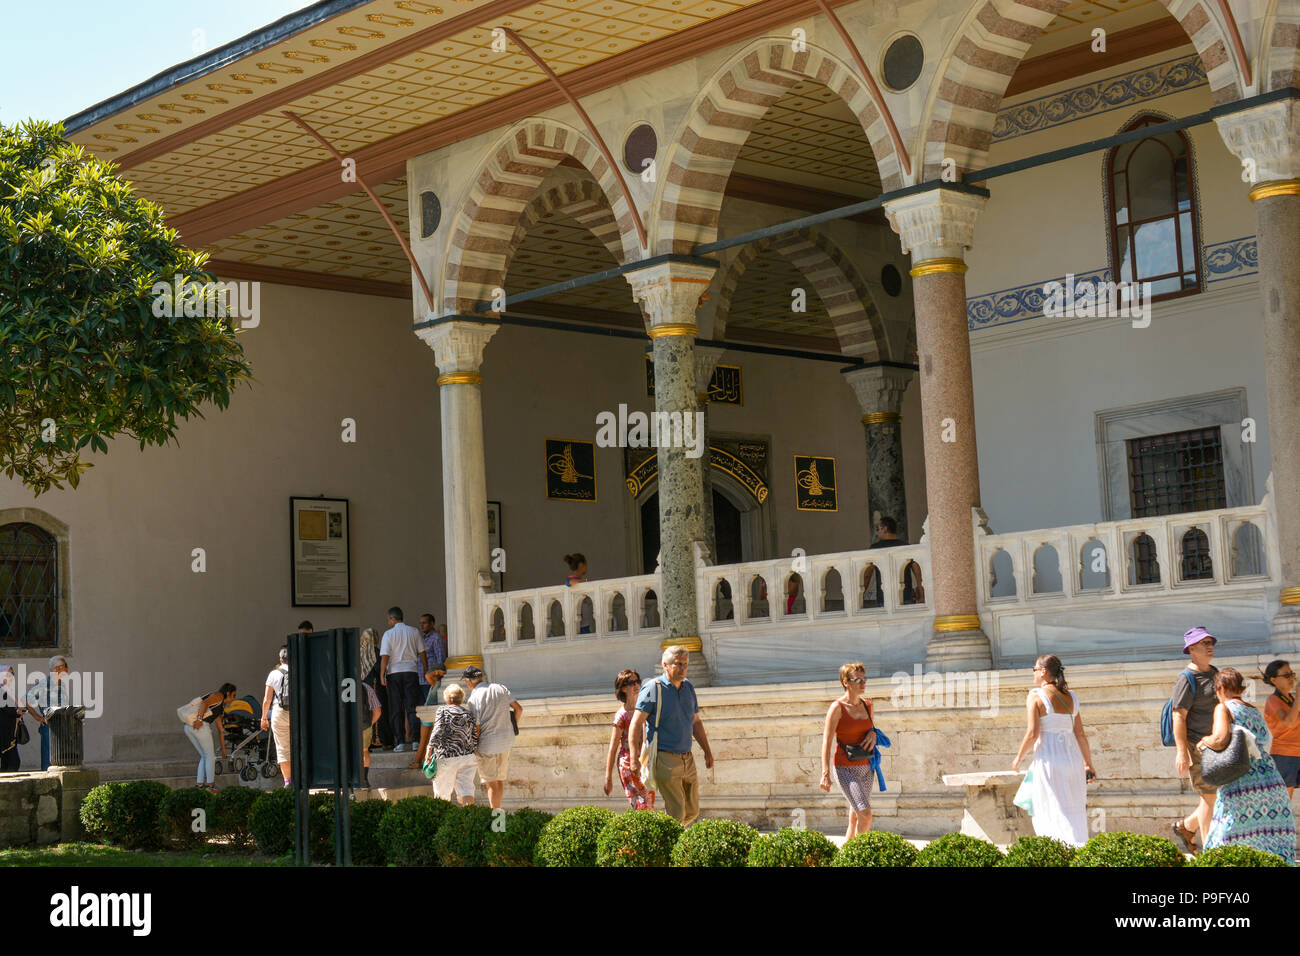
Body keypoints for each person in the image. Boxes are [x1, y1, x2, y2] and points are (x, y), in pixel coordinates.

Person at [1199, 667, 1296, 863]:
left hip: (1242, 782)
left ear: (1221, 688)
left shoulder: (1223, 708)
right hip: (1270, 781)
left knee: (1226, 836)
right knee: (1267, 840)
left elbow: (1219, 739)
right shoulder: (1253, 710)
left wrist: (1204, 741)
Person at [1011, 654, 1096, 846]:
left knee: (1050, 809)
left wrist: (1018, 758)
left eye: (1034, 669)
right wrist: (1088, 764)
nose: (1033, 674)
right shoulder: (1072, 697)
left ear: (1043, 672)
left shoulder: (1036, 696)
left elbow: (1032, 733)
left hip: (1049, 759)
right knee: (1074, 810)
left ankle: (1057, 852)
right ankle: (1079, 849)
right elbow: (1081, 734)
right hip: (1073, 759)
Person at [628, 645, 714, 825]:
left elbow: (696, 721)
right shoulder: (653, 688)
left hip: (687, 758)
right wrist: (634, 758)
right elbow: (636, 723)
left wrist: (707, 751)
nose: (683, 669)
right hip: (664, 757)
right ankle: (671, 849)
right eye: (678, 664)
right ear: (665, 665)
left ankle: (665, 837)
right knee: (677, 811)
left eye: (685, 664)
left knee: (692, 811)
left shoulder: (688, 687)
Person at [1170, 626, 1219, 854]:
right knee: (1210, 798)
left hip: (1218, 745)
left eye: (1210, 643)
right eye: (1204, 643)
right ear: (1191, 649)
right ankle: (1211, 852)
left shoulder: (1214, 672)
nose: (1209, 647)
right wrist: (1182, 752)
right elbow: (1178, 715)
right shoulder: (1187, 678)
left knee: (1214, 797)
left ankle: (1186, 827)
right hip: (1197, 746)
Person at [819, 662, 876, 839]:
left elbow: (871, 729)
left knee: (855, 815)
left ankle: (846, 853)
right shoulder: (837, 708)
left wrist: (874, 733)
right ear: (846, 682)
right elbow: (827, 741)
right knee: (865, 814)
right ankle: (859, 856)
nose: (862, 683)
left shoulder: (868, 705)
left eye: (863, 679)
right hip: (845, 767)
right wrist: (825, 773)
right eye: (857, 680)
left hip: (867, 766)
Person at [464, 665, 521, 809]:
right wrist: (511, 727)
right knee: (499, 781)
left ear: (469, 681)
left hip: (487, 744)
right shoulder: (500, 688)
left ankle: (496, 823)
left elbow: (476, 727)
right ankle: (499, 822)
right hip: (505, 741)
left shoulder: (473, 698)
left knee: (491, 784)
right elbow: (518, 709)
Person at [604, 669, 655, 810]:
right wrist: (608, 778)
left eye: (638, 681)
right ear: (623, 688)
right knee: (641, 806)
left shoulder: (644, 709)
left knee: (649, 804)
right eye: (632, 683)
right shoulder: (621, 715)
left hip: (644, 763)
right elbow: (613, 748)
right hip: (627, 766)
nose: (636, 685)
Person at [379, 606, 428, 753]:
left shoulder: (388, 634)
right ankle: (415, 740)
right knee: (412, 707)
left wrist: (382, 674)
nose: (388, 622)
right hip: (411, 672)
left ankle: (399, 741)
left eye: (388, 619)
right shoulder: (414, 631)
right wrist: (425, 670)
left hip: (394, 673)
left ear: (392, 619)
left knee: (396, 708)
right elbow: (422, 653)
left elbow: (385, 656)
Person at [178, 683, 236, 792]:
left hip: (189, 727)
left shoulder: (220, 707)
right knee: (210, 756)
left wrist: (224, 750)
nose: (234, 699)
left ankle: (200, 785)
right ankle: (211, 785)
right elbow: (205, 703)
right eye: (233, 695)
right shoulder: (218, 696)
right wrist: (200, 720)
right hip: (200, 726)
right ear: (227, 693)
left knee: (205, 756)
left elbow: (220, 730)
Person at [428, 683, 479, 805]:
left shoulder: (443, 710)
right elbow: (474, 736)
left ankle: (443, 822)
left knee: (442, 794)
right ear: (461, 698)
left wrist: (429, 749)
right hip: (468, 756)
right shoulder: (469, 714)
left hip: (447, 756)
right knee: (466, 791)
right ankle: (469, 819)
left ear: (447, 698)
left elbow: (438, 730)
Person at [412, 612, 448, 769]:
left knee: (430, 718)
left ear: (432, 623)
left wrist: (437, 676)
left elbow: (440, 660)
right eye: (421, 623)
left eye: (425, 623)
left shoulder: (436, 639)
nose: (422, 626)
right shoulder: (423, 639)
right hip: (422, 680)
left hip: (433, 680)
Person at [1262, 659, 1300, 797]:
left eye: (1292, 674)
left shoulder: (1291, 699)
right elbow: (1288, 722)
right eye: (1286, 675)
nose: (1291, 678)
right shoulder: (1273, 700)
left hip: (1297, 752)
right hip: (1284, 755)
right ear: (1274, 680)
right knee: (1285, 799)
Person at [28, 655, 73, 770]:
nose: (67, 669)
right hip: (49, 727)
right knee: (50, 761)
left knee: (60, 759)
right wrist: (39, 718)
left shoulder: (60, 684)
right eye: (65, 666)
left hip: (61, 725)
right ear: (57, 669)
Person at [260, 647, 293, 786]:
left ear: (280, 660)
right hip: (297, 712)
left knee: (283, 748)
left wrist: (263, 718)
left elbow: (267, 699)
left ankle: (288, 782)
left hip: (279, 712)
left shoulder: (274, 674)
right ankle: (304, 778)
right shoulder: (300, 671)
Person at [0, 665, 36, 772]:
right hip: (3, 733)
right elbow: (5, 709)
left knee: (11, 763)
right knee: (12, 763)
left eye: (12, 674)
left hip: (11, 733)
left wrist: (19, 711)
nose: (11, 677)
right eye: (8, 674)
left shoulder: (8, 690)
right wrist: (17, 712)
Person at [359, 677, 381, 788]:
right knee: (364, 751)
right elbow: (377, 710)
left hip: (345, 726)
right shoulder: (366, 687)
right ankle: (364, 780)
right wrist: (369, 724)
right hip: (363, 725)